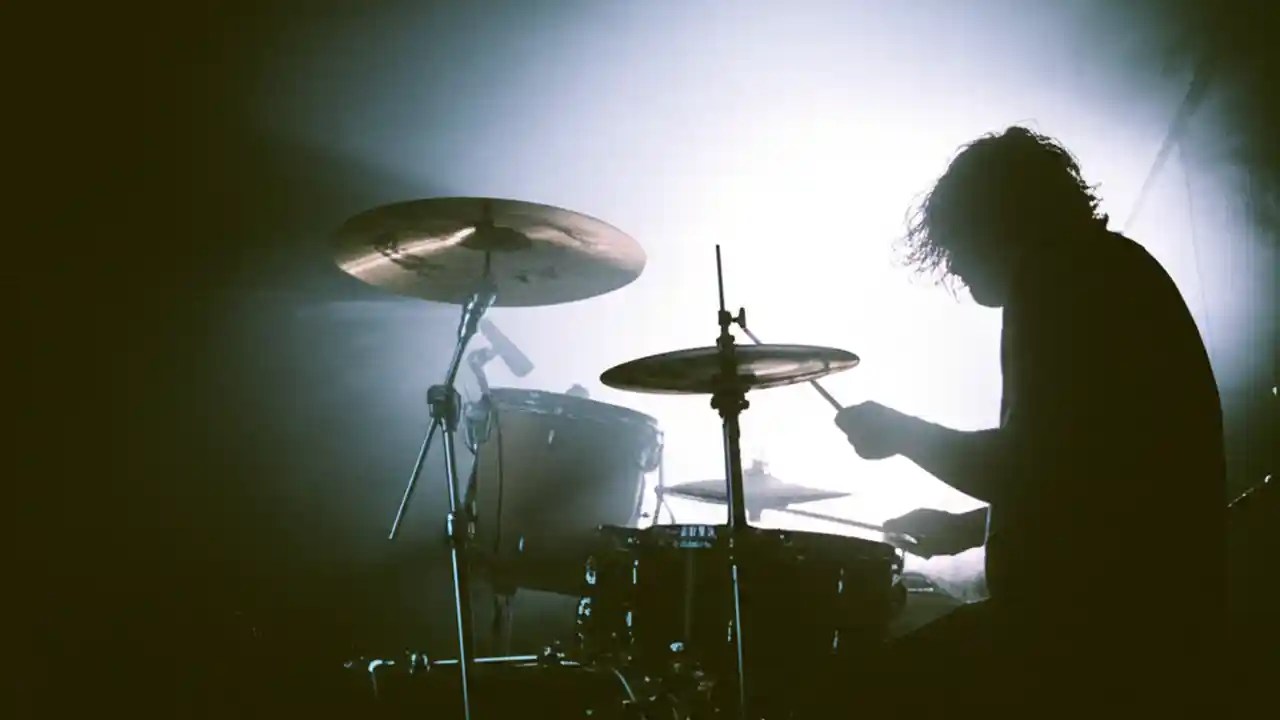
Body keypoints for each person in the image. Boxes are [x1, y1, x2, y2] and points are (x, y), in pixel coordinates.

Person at [835, 127, 1226, 712]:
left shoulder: (1059, 279)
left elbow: (1030, 468)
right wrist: (968, 528)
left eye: (957, 243)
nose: (954, 266)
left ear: (994, 218)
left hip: (1100, 632)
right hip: (1142, 617)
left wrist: (901, 432)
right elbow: (1085, 474)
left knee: (862, 694)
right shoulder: (1103, 268)